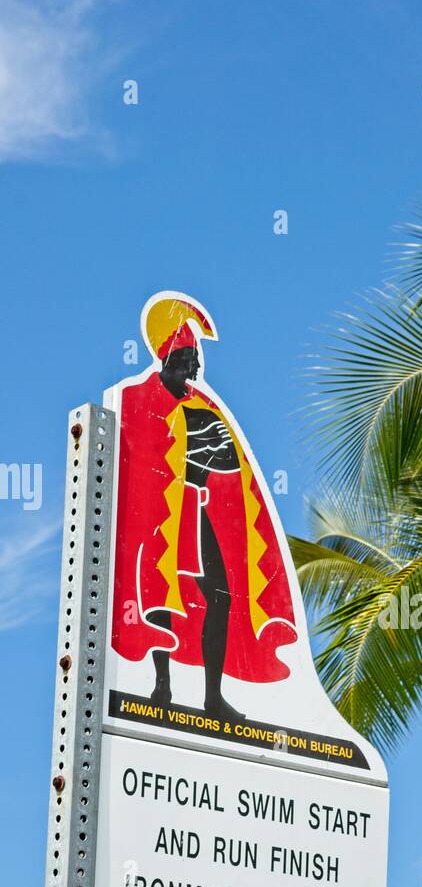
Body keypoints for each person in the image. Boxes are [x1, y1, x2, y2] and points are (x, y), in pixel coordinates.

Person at [111, 297, 297, 719]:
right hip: (160, 514)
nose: (196, 369)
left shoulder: (203, 406)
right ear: (170, 358)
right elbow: (140, 456)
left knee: (220, 597)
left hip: (195, 509)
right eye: (190, 358)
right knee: (158, 592)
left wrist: (197, 453)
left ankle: (212, 697)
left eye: (196, 359)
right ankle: (162, 686)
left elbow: (229, 459)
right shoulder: (138, 398)